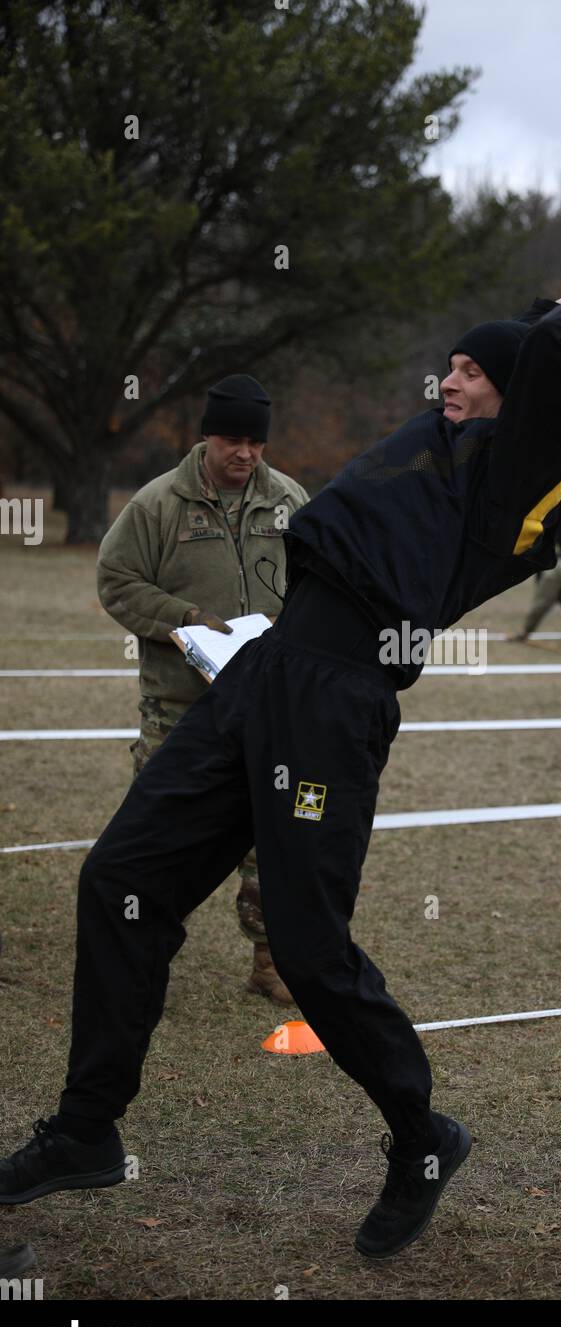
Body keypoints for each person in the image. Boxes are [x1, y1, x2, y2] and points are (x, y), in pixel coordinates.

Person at [0, 263, 561, 1258]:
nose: (448, 382)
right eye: (448, 365)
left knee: (306, 946)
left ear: (514, 400)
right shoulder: (463, 434)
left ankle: (422, 1138)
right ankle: (85, 1128)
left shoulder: (516, 469)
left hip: (337, 698)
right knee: (121, 879)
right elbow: (533, 339)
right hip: (269, 665)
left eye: (468, 373)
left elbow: (548, 356)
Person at [97, 375, 309, 1004]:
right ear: (207, 437)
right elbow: (116, 579)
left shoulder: (291, 501)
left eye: (255, 442)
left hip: (267, 707)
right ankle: (142, 952)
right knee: (162, 839)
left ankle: (273, 961)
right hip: (181, 709)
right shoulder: (158, 504)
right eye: (232, 440)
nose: (244, 453)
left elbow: (319, 581)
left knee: (276, 838)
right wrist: (184, 620)